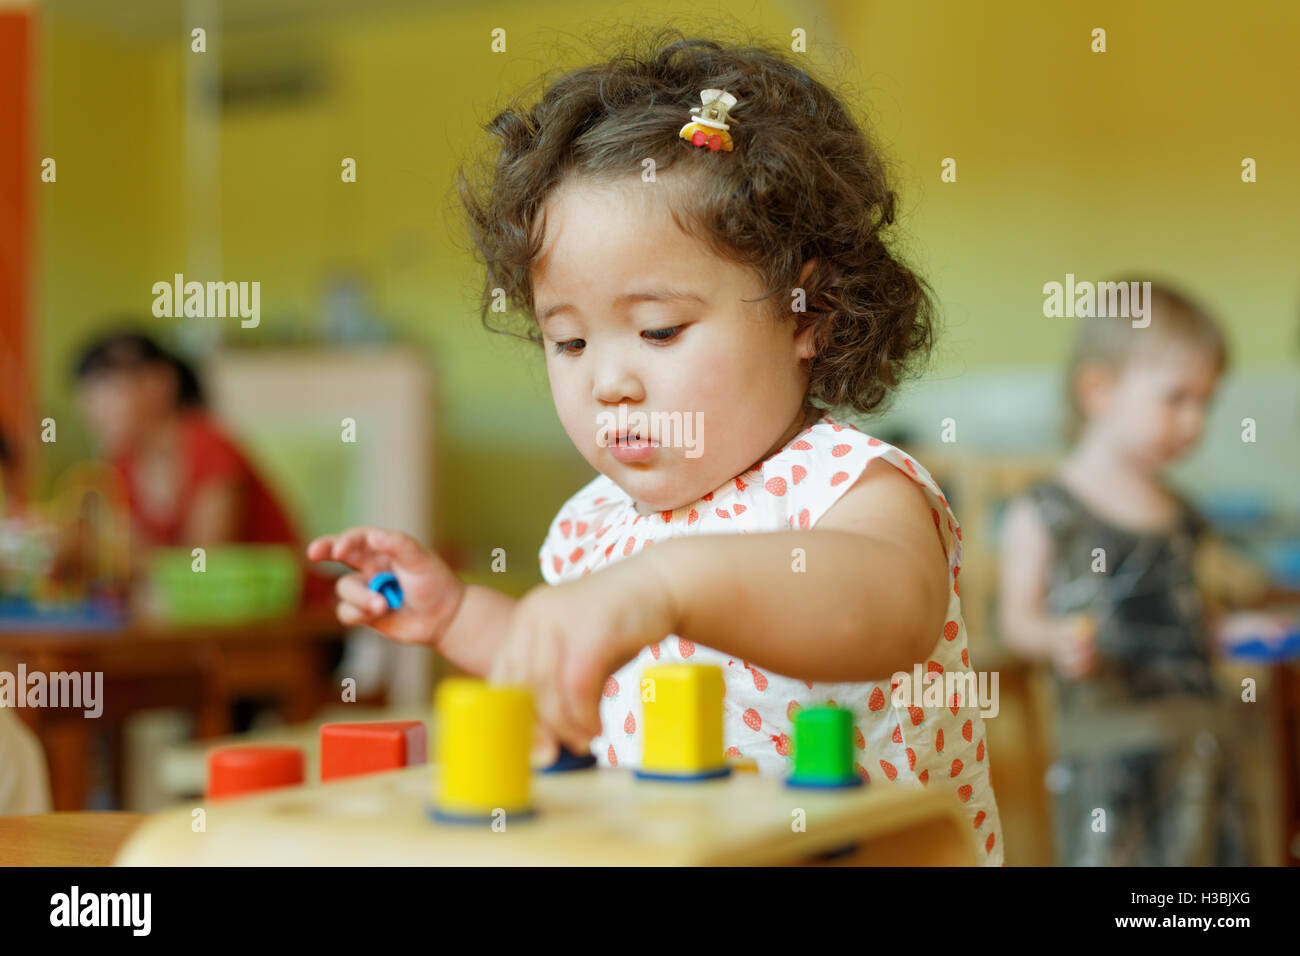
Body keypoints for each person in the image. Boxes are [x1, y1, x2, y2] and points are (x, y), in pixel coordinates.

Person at [310, 31, 1005, 864]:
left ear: (806, 314)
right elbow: (579, 662)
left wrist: (662, 585)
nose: (608, 381)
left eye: (659, 329)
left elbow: (884, 610)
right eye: (567, 343)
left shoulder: (848, 487)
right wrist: (459, 615)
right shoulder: (595, 523)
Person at [999, 282, 1268, 865]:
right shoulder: (1048, 512)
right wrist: (1056, 638)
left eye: (1206, 402)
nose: (1194, 422)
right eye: (1176, 398)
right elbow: (1017, 624)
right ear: (1099, 390)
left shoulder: (1187, 518)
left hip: (1203, 750)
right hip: (1107, 764)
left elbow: (1202, 623)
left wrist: (1255, 632)